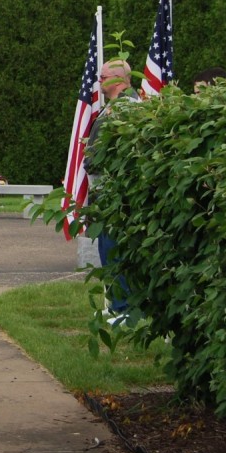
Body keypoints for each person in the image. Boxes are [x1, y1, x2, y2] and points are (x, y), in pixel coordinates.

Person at [86, 58, 139, 322]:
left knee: (115, 252)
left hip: (115, 198)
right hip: (108, 195)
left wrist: (90, 160)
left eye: (104, 77)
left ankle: (124, 311)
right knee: (109, 251)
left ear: (119, 79)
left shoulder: (124, 110)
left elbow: (113, 153)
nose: (100, 81)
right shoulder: (116, 108)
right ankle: (121, 307)